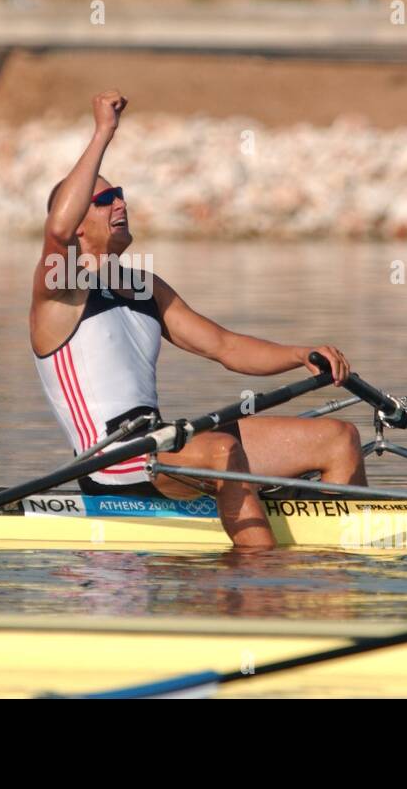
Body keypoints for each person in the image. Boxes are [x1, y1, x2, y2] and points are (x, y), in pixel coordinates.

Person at [28, 91, 366, 552]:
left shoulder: (146, 288)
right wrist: (103, 133)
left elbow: (224, 346)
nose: (120, 204)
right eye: (104, 199)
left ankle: (344, 564)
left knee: (339, 438)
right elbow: (56, 230)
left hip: (163, 444)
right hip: (110, 462)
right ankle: (261, 578)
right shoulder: (57, 293)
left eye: (120, 195)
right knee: (221, 451)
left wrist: (299, 355)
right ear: (79, 224)